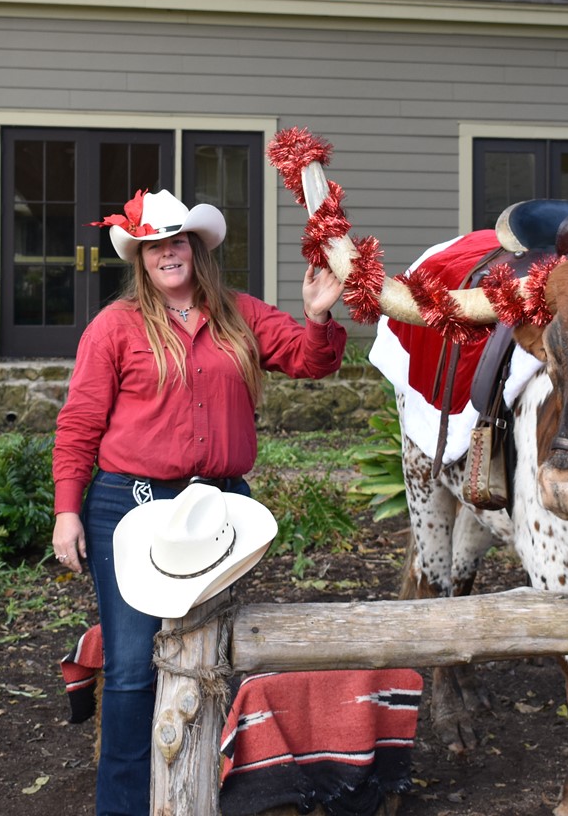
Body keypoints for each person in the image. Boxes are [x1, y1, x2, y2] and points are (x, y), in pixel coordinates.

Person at [51, 187, 346, 816]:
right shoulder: (116, 326)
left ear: (196, 248)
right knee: (132, 670)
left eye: (176, 240)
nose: (167, 253)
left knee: (208, 659)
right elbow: (78, 422)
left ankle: (194, 795)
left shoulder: (240, 315)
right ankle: (125, 808)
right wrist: (66, 510)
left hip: (218, 511)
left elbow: (309, 362)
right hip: (128, 507)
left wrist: (318, 316)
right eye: (154, 244)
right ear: (141, 257)